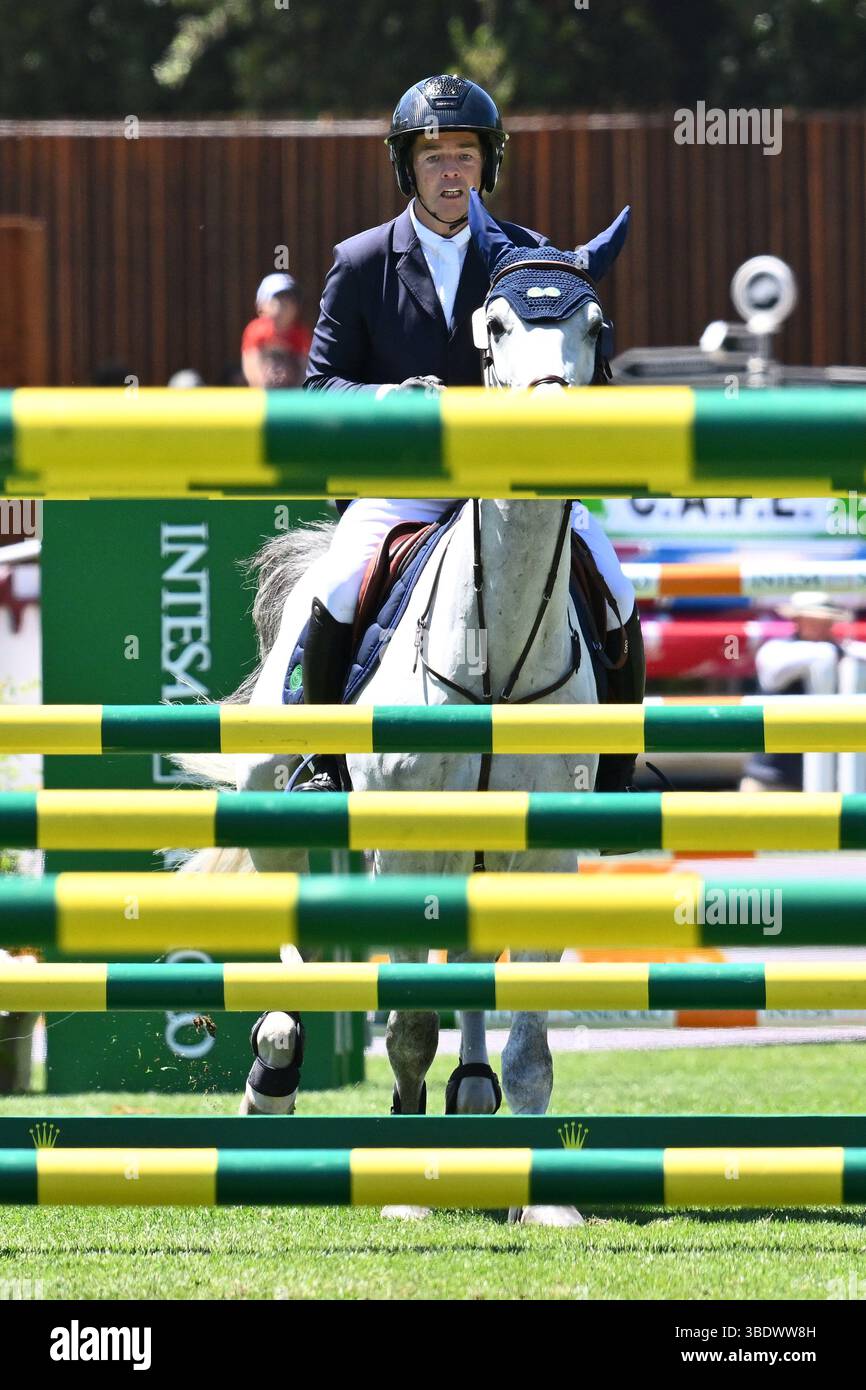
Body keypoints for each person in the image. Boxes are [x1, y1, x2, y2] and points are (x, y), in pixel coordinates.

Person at [296, 74, 643, 791]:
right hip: (407, 488)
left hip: (515, 490)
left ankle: (614, 771)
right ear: (407, 168)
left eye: (464, 154)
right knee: (334, 588)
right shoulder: (360, 262)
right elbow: (318, 387)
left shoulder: (530, 257)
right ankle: (321, 760)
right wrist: (390, 396)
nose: (450, 171)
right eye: (432, 156)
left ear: (487, 164)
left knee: (614, 587)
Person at [740, 591, 849, 792]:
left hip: (824, 779)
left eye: (826, 621)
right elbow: (773, 677)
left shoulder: (845, 655)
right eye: (814, 620)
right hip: (771, 776)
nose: (822, 626)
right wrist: (835, 652)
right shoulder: (776, 651)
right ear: (797, 620)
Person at [241, 273, 312, 388]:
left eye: (291, 299)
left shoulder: (301, 334)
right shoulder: (255, 331)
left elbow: (305, 370)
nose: (286, 305)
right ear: (261, 305)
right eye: (279, 299)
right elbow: (251, 369)